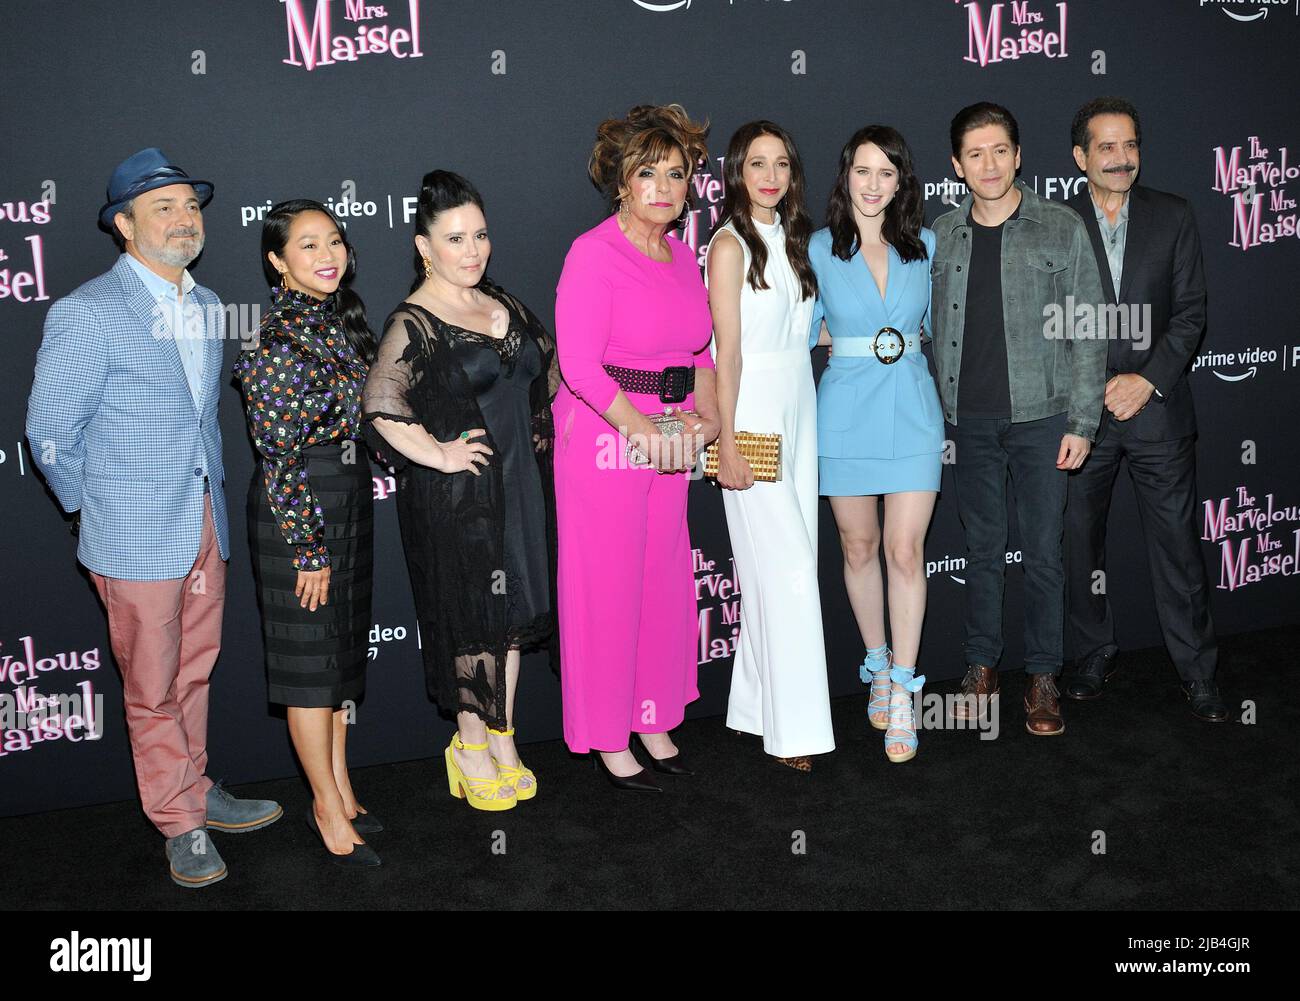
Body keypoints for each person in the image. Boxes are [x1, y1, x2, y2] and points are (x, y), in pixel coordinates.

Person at [25, 147, 281, 889]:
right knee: (151, 685)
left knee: (193, 671)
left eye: (191, 206)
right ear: (124, 224)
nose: (183, 218)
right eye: (162, 206)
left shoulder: (208, 305)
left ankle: (194, 788)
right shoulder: (86, 312)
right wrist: (97, 509)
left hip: (203, 522)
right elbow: (49, 434)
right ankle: (178, 821)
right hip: (133, 536)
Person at [365, 171, 560, 812]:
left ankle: (503, 736)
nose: (472, 250)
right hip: (461, 499)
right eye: (455, 239)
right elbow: (380, 405)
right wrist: (441, 453)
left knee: (511, 621)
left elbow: (548, 369)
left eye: (480, 235)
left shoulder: (501, 301)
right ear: (424, 247)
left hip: (520, 487)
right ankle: (469, 745)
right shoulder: (414, 321)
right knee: (474, 620)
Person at [554, 103, 720, 791]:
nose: (663, 187)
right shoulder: (593, 253)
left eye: (675, 174)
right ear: (621, 182)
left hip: (670, 437)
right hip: (607, 433)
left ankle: (652, 718)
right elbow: (579, 365)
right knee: (609, 588)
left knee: (661, 584)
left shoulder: (682, 256)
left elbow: (698, 350)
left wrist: (708, 418)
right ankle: (607, 734)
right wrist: (643, 432)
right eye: (648, 173)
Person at [930, 104, 1108, 737]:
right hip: (968, 422)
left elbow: (1089, 330)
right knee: (980, 552)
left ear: (1018, 156)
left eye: (1000, 150)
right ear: (957, 165)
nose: (989, 165)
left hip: (1044, 418)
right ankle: (981, 668)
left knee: (1043, 555)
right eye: (975, 154)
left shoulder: (1060, 226)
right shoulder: (942, 235)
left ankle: (1042, 677)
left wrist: (1083, 421)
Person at [1062, 98, 1226, 722]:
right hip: (1081, 417)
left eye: (1129, 145)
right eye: (1106, 147)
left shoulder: (1173, 215)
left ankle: (1198, 672)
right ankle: (1092, 653)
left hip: (1158, 412)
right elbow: (1045, 321)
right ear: (1080, 157)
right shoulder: (1055, 221)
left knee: (1179, 548)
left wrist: (1146, 381)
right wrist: (1091, 389)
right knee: (1080, 543)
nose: (1121, 158)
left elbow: (1190, 313)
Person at [232, 199, 382, 866]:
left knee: (340, 660)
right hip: (298, 511)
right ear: (278, 261)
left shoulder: (336, 322)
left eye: (334, 241)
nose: (328, 255)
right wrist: (308, 546)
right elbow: (279, 455)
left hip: (346, 498)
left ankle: (342, 787)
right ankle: (324, 806)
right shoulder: (274, 336)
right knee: (310, 671)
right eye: (308, 245)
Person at [808, 125, 943, 763]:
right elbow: (798, 331)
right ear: (846, 176)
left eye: (886, 172)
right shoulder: (817, 248)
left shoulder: (926, 245)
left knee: (905, 550)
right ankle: (878, 667)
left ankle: (906, 693)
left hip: (913, 410)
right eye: (862, 170)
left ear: (900, 181)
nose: (873, 184)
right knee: (859, 547)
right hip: (845, 411)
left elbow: (942, 327)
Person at [706, 120, 833, 772]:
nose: (770, 175)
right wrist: (726, 442)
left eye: (781, 163)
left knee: (781, 567)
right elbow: (725, 355)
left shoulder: (795, 238)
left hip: (799, 406)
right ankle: (795, 730)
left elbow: (807, 331)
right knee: (787, 571)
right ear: (736, 171)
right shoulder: (728, 245)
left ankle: (756, 707)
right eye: (757, 163)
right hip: (751, 416)